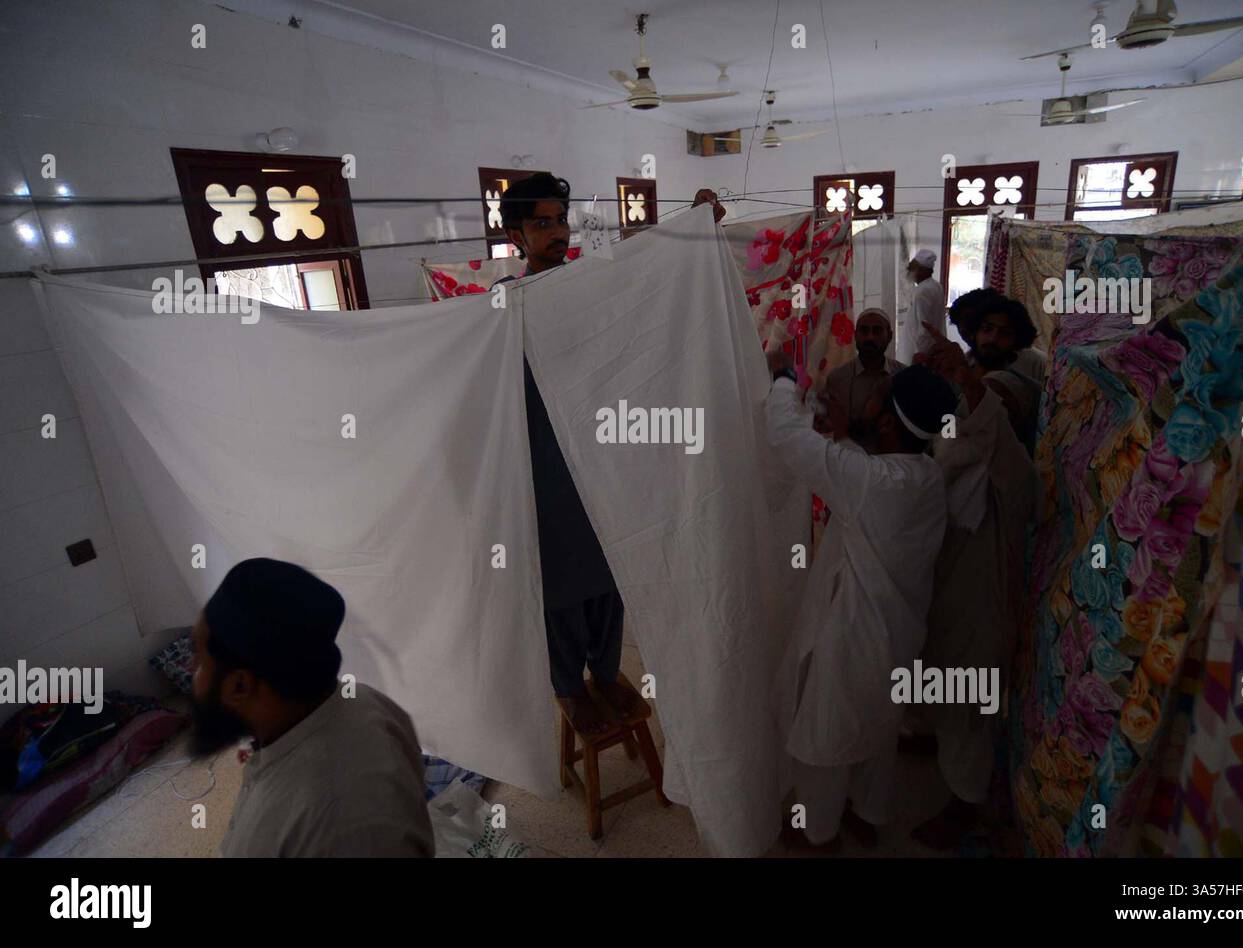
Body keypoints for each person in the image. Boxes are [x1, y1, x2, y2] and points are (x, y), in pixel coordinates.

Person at [491, 174, 723, 737]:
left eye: (560, 219)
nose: (556, 232)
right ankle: (568, 683)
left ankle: (606, 666)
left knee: (611, 559)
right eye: (541, 223)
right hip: (545, 459)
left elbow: (645, 284)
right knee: (562, 575)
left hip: (603, 449)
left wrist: (694, 230)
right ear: (516, 233)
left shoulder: (588, 283)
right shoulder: (507, 304)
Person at [765, 350, 956, 850]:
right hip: (900, 632)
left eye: (878, 398)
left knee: (827, 735)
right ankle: (869, 813)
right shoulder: (928, 477)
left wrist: (784, 379)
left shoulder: (869, 484)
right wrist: (847, 433)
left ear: (889, 423)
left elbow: (787, 437)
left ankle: (817, 832)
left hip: (854, 636)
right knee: (879, 728)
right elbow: (852, 460)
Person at [189, 558, 436, 858]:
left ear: (239, 685)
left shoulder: (338, 824)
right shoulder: (364, 700)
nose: (192, 673)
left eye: (200, 662)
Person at [912, 323, 1038, 849]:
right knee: (938, 675)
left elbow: (991, 434)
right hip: (949, 589)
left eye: (1001, 398)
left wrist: (973, 385)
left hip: (980, 596)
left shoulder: (1011, 468)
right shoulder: (960, 445)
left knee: (967, 699)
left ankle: (968, 804)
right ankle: (934, 739)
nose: (989, 405)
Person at [951, 293, 1042, 451]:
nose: (993, 339)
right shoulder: (960, 371)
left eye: (1004, 333)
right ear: (974, 332)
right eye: (987, 329)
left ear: (1016, 341)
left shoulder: (1013, 386)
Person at [821, 308, 902, 434]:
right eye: (864, 331)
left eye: (877, 331)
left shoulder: (902, 374)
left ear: (890, 336)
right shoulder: (838, 378)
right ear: (855, 335)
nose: (870, 337)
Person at [901, 249, 945, 362]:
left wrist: (921, 354)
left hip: (919, 353)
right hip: (932, 349)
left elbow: (924, 328)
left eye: (912, 267)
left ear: (922, 270)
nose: (908, 269)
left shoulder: (922, 292)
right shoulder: (935, 286)